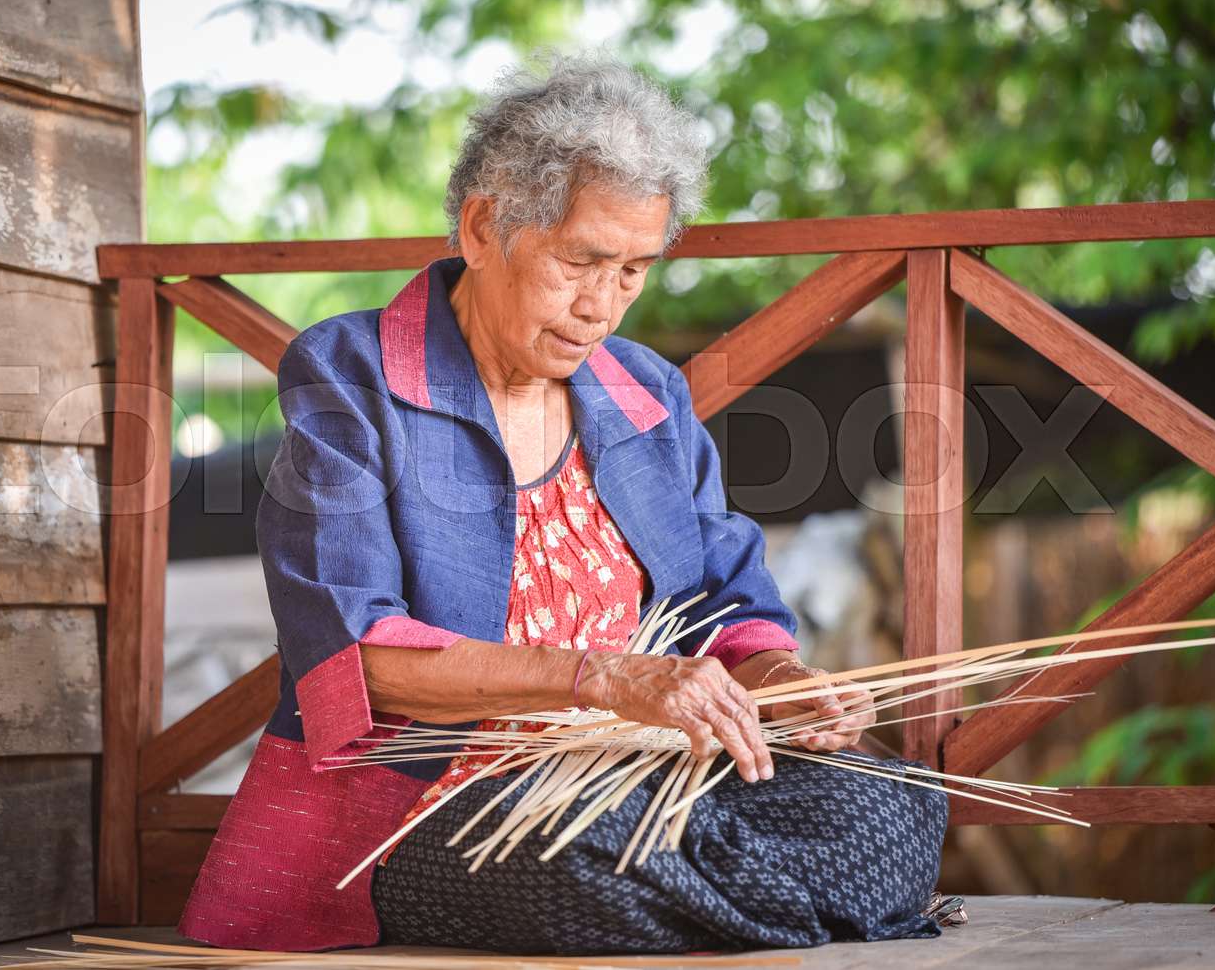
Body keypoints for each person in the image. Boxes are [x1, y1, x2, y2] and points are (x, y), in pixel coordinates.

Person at [178, 52, 948, 955]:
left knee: (894, 806)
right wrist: (603, 678)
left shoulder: (645, 396)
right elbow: (358, 653)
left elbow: (727, 599)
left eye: (633, 271)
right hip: (437, 802)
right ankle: (762, 903)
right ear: (481, 226)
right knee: (578, 861)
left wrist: (781, 688)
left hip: (646, 781)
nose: (603, 306)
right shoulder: (355, 378)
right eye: (582, 260)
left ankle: (714, 898)